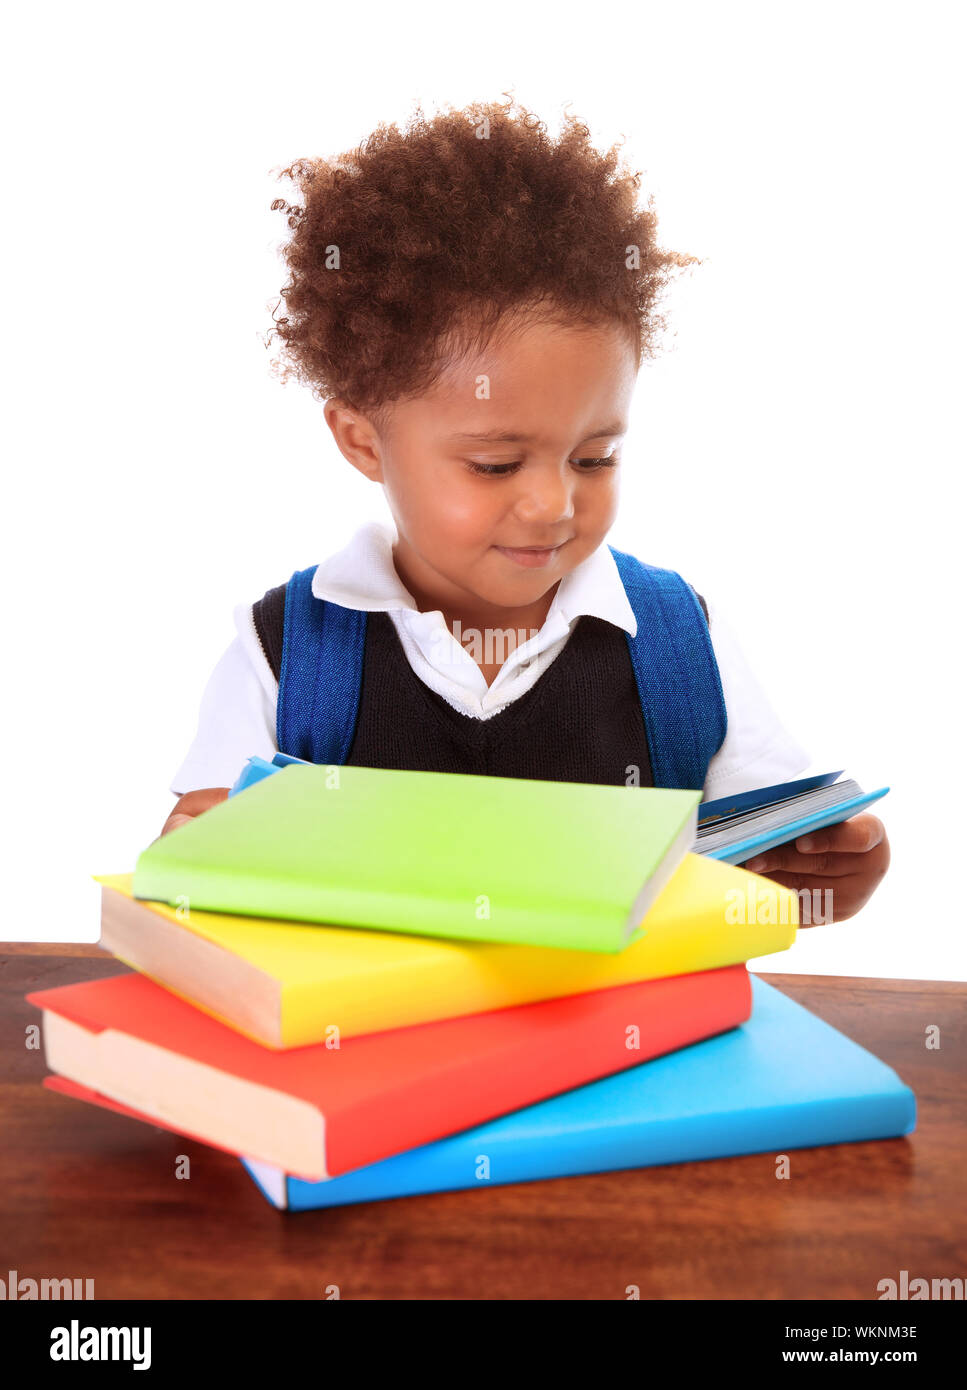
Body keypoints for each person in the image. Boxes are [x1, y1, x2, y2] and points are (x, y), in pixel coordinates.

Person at [161, 98, 889, 924]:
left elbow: (762, 875)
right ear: (363, 441)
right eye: (496, 464)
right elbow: (194, 876)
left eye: (594, 457)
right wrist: (201, 851)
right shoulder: (286, 652)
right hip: (373, 1043)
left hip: (631, 1050)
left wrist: (821, 881)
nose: (553, 504)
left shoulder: (679, 644)